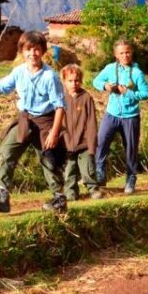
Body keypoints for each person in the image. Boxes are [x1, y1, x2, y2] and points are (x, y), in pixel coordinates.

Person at [0, 31, 68, 213]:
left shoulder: (50, 77)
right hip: (25, 119)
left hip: (45, 122)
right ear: (22, 51)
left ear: (43, 51)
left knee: (49, 160)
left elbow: (60, 107)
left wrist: (53, 133)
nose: (32, 54)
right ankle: (2, 196)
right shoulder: (19, 72)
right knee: (6, 152)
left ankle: (59, 200)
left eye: (36, 49)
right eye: (28, 49)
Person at [92, 40, 148, 194]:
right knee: (101, 142)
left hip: (131, 116)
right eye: (121, 53)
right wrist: (105, 86)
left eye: (127, 52)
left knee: (131, 149)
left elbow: (146, 93)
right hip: (111, 113)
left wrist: (129, 93)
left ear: (131, 53)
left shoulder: (137, 73)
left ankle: (131, 179)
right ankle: (100, 173)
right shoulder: (110, 69)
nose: (125, 55)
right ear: (116, 55)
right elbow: (96, 81)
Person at [60, 64, 103, 200]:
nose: (74, 83)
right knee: (69, 171)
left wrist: (92, 144)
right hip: (66, 143)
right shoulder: (60, 98)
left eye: (76, 80)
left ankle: (93, 189)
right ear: (64, 81)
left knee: (88, 169)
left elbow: (91, 122)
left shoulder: (86, 98)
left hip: (84, 142)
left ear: (81, 80)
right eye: (70, 81)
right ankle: (71, 192)